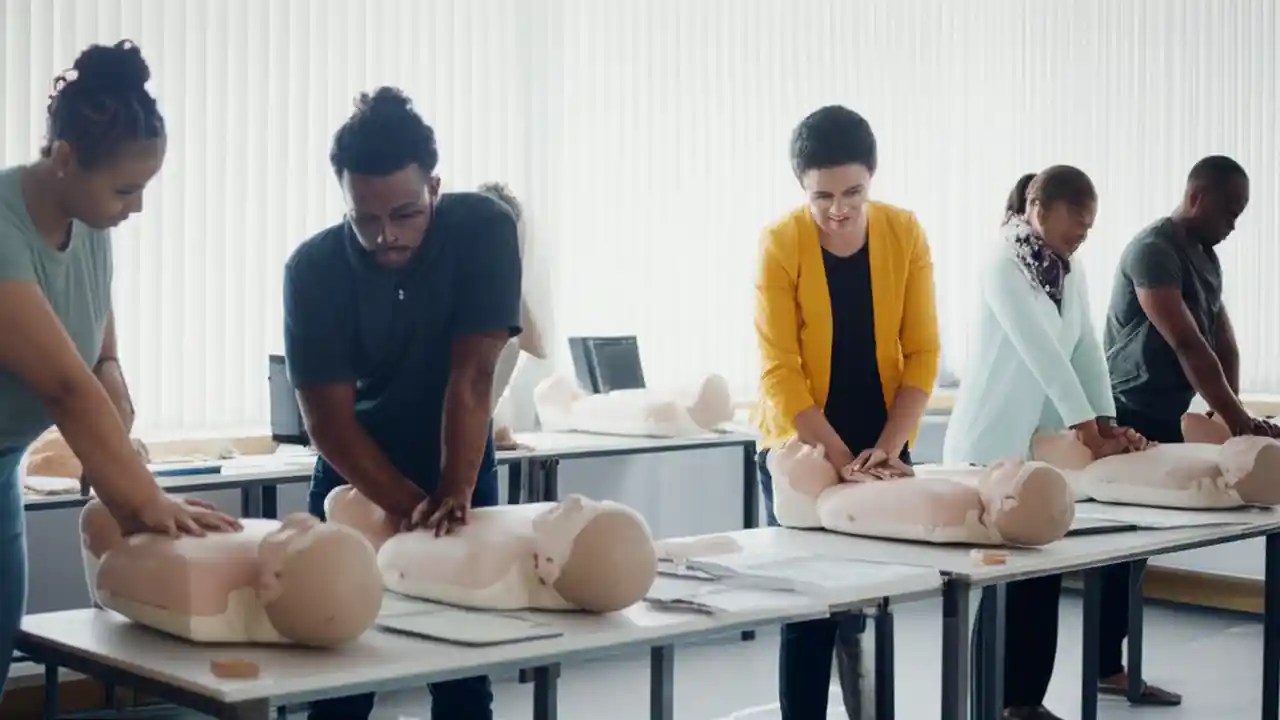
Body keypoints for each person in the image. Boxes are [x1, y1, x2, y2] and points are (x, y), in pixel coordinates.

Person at [0, 40, 238, 694]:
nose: (135, 207)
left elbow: (100, 360)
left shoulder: (90, 224)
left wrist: (126, 460)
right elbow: (64, 387)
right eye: (126, 189)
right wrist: (141, 501)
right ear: (65, 159)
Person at [282, 87, 520, 720]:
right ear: (344, 199)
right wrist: (406, 506)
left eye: (406, 214)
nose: (385, 236)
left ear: (435, 188)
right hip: (354, 464)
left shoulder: (485, 229)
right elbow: (325, 419)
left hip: (461, 453)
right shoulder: (313, 270)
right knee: (341, 657)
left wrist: (452, 493)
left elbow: (472, 378)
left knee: (463, 660)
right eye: (365, 218)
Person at [942, 167, 1152, 720]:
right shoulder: (1001, 264)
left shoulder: (1070, 268)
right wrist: (1090, 434)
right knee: (1000, 576)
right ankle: (993, 702)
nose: (1080, 237)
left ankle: (1025, 701)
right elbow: (1042, 353)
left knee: (1042, 571)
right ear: (1038, 207)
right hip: (990, 443)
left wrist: (1105, 422)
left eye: (1087, 232)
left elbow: (1084, 347)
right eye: (1074, 227)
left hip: (1041, 445)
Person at [754, 105, 940, 719]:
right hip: (804, 443)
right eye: (822, 195)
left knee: (869, 601)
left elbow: (922, 352)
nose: (839, 208)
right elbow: (780, 370)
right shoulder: (780, 243)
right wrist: (838, 458)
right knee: (810, 609)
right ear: (801, 187)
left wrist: (889, 445)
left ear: (874, 176)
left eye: (853, 192)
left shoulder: (905, 232)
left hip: (880, 437)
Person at [1095, 155, 1278, 707]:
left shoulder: (1206, 256)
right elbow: (1186, 343)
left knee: (1139, 550)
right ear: (1197, 197)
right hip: (1126, 412)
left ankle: (1110, 664)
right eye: (1230, 210)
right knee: (1119, 547)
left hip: (1166, 414)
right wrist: (1239, 421)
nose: (1233, 223)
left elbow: (1223, 341)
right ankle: (1107, 666)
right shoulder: (1153, 250)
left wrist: (1233, 418)